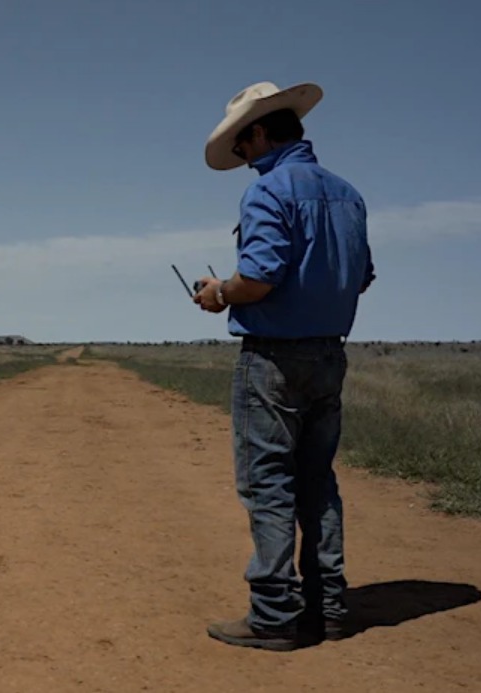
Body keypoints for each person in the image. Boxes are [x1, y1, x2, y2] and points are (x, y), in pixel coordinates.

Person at [192, 81, 375, 651]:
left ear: (259, 132)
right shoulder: (347, 194)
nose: (242, 156)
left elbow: (259, 278)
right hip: (330, 353)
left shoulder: (270, 190)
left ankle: (274, 615)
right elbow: (363, 274)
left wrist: (219, 291)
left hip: (272, 360)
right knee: (317, 482)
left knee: (268, 484)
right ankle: (330, 608)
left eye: (242, 143)